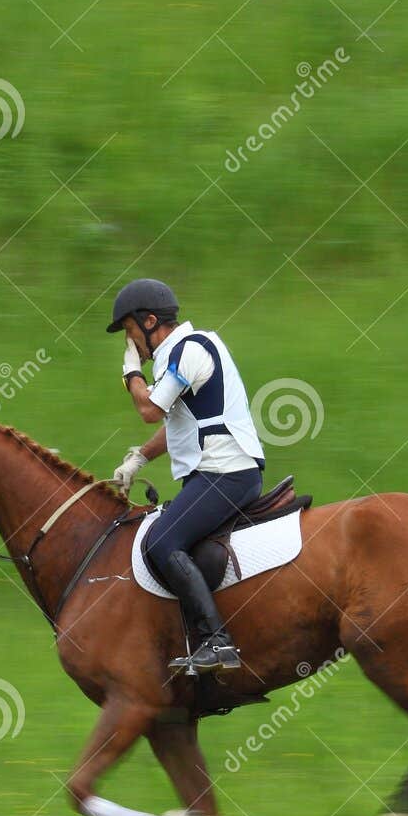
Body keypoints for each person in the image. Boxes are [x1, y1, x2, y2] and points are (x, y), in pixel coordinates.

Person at [107, 278, 266, 672]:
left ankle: (217, 642)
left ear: (148, 322)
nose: (133, 346)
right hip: (215, 473)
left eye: (130, 334)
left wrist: (130, 373)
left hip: (226, 472)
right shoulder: (177, 357)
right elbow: (181, 422)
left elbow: (149, 410)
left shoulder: (189, 349)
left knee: (159, 543)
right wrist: (139, 459)